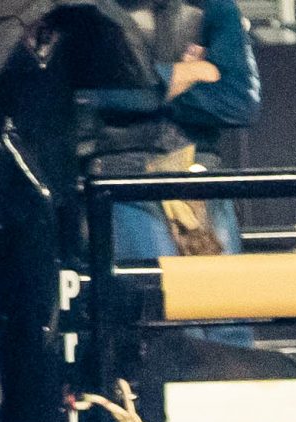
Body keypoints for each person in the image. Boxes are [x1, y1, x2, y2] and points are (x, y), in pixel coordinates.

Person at [89, 0, 261, 263]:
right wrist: (191, 72)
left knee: (225, 297)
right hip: (121, 173)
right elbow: (99, 96)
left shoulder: (215, 6)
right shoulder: (90, 8)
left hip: (199, 172)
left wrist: (152, 87)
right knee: (152, 294)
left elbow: (239, 102)